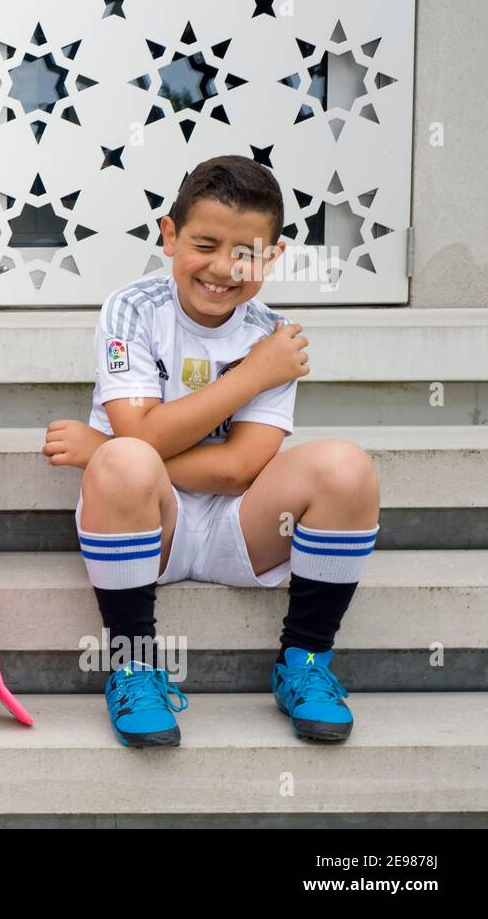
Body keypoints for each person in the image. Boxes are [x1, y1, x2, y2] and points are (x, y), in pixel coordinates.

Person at [43, 156, 381, 747]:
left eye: (248, 253)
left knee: (347, 467)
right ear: (169, 236)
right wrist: (248, 378)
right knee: (125, 464)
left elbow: (237, 470)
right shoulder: (132, 309)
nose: (225, 268)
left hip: (240, 529)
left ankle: (304, 662)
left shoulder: (272, 336)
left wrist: (103, 443)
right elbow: (139, 442)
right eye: (205, 244)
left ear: (273, 256)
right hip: (147, 524)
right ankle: (134, 665)